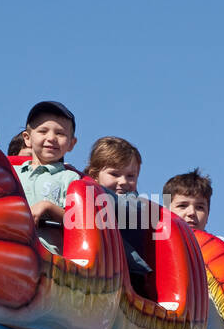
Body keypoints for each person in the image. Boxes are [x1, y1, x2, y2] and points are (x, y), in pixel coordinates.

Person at [84, 136, 154, 284]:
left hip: (130, 273)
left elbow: (125, 207)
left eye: (131, 176)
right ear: (94, 175)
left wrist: (94, 192)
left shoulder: (133, 201)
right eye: (114, 174)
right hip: (99, 266)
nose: (123, 181)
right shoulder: (87, 192)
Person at [16, 101, 80, 253]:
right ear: (27, 138)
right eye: (43, 131)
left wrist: (48, 207)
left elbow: (79, 221)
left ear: (71, 143)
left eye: (60, 133)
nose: (51, 138)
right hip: (6, 248)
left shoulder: (70, 179)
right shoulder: (12, 172)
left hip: (47, 260)